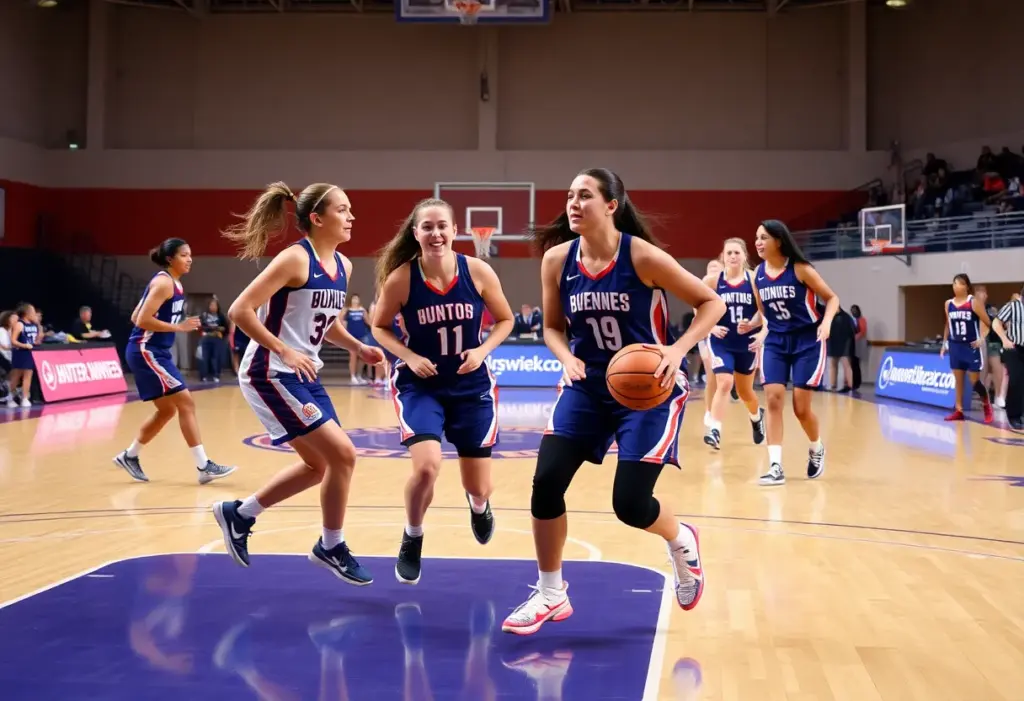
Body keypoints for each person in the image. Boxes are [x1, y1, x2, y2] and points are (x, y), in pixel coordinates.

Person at [500, 168, 725, 636]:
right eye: (569, 196)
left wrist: (677, 350)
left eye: (585, 195)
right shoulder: (557, 260)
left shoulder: (642, 257)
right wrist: (565, 358)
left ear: (611, 205)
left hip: (648, 388)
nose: (573, 203)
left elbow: (711, 304)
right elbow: (553, 327)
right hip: (586, 384)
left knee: (629, 504)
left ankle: (682, 541)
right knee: (546, 482)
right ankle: (550, 593)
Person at [211, 182, 385, 585]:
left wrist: (360, 346)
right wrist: (283, 349)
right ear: (316, 218)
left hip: (303, 373)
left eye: (351, 209)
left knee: (319, 466)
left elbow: (329, 324)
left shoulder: (344, 266)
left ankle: (240, 514)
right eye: (343, 210)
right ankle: (331, 545)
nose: (351, 217)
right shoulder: (294, 259)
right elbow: (241, 310)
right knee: (343, 455)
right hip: (269, 371)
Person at [371, 197, 515, 585]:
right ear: (415, 233)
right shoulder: (402, 278)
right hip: (422, 387)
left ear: (454, 231)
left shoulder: (478, 271)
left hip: (471, 386)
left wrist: (482, 350)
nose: (435, 233)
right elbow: (379, 326)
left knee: (479, 485)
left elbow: (506, 319)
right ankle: (413, 536)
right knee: (427, 466)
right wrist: (407, 355)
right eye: (427, 227)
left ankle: (479, 503)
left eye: (442, 226)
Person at [113, 240, 236, 484]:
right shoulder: (163, 283)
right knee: (186, 403)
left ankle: (130, 456)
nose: (190, 259)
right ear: (170, 258)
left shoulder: (173, 283)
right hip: (146, 350)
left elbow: (135, 314)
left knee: (167, 410)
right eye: (184, 255)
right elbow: (141, 321)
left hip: (153, 350)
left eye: (191, 255)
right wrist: (177, 327)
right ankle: (204, 466)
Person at [747, 220, 839, 486]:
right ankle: (775, 466)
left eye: (763, 237)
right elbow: (764, 311)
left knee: (801, 408)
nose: (758, 243)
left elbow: (832, 298)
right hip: (776, 340)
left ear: (779, 240)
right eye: (756, 238)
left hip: (807, 340)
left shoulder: (800, 269)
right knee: (773, 400)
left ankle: (816, 447)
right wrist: (756, 326)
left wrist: (827, 322)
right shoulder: (758, 275)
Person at [702, 238, 765, 450]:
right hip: (722, 341)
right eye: (729, 253)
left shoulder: (754, 280)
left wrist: (757, 328)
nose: (732, 256)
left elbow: (764, 310)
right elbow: (698, 305)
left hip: (747, 342)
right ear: (723, 256)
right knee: (725, 382)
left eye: (737, 253)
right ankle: (715, 429)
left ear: (744, 256)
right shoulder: (712, 281)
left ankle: (756, 418)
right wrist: (710, 328)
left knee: (746, 392)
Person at [939, 274, 993, 423]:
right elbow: (948, 325)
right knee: (958, 380)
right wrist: (944, 344)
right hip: (955, 345)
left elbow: (988, 322)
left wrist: (981, 339)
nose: (956, 286)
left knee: (974, 381)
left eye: (960, 284)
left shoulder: (973, 302)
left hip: (970, 346)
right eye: (954, 283)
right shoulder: (948, 304)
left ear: (967, 287)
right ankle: (959, 410)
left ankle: (986, 403)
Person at [991, 286, 1024, 429]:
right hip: (1015, 347)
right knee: (1016, 380)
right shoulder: (1013, 306)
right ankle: (1014, 416)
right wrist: (1004, 339)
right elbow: (996, 322)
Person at [697, 259, 723, 429]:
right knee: (711, 375)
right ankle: (708, 411)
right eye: (710, 266)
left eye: (716, 266)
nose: (712, 268)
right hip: (706, 333)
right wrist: (710, 327)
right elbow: (698, 309)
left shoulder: (729, 284)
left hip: (729, 335)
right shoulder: (704, 284)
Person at [7, 303, 40, 408]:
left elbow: (34, 339)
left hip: (30, 353)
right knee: (16, 376)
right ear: (27, 313)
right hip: (20, 352)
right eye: (33, 311)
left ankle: (25, 398)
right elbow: (13, 340)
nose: (35, 313)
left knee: (28, 375)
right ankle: (10, 398)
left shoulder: (34, 325)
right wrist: (24, 345)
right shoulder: (19, 324)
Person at [342, 293, 371, 385]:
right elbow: (343, 323)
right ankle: (353, 376)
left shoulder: (362, 310)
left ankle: (359, 375)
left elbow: (368, 321)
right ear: (351, 300)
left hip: (362, 335)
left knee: (363, 356)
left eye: (357, 299)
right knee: (353, 356)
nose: (355, 301)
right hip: (352, 336)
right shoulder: (347, 311)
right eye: (354, 299)